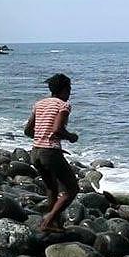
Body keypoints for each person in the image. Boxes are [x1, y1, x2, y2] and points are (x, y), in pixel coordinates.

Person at [24, 73, 79, 232]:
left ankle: (54, 222)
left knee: (52, 188)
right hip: (50, 152)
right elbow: (57, 129)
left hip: (35, 152)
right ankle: (48, 221)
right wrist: (71, 137)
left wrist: (41, 135)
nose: (69, 93)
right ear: (64, 90)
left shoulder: (39, 104)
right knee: (72, 189)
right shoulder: (63, 105)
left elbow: (28, 130)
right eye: (69, 89)